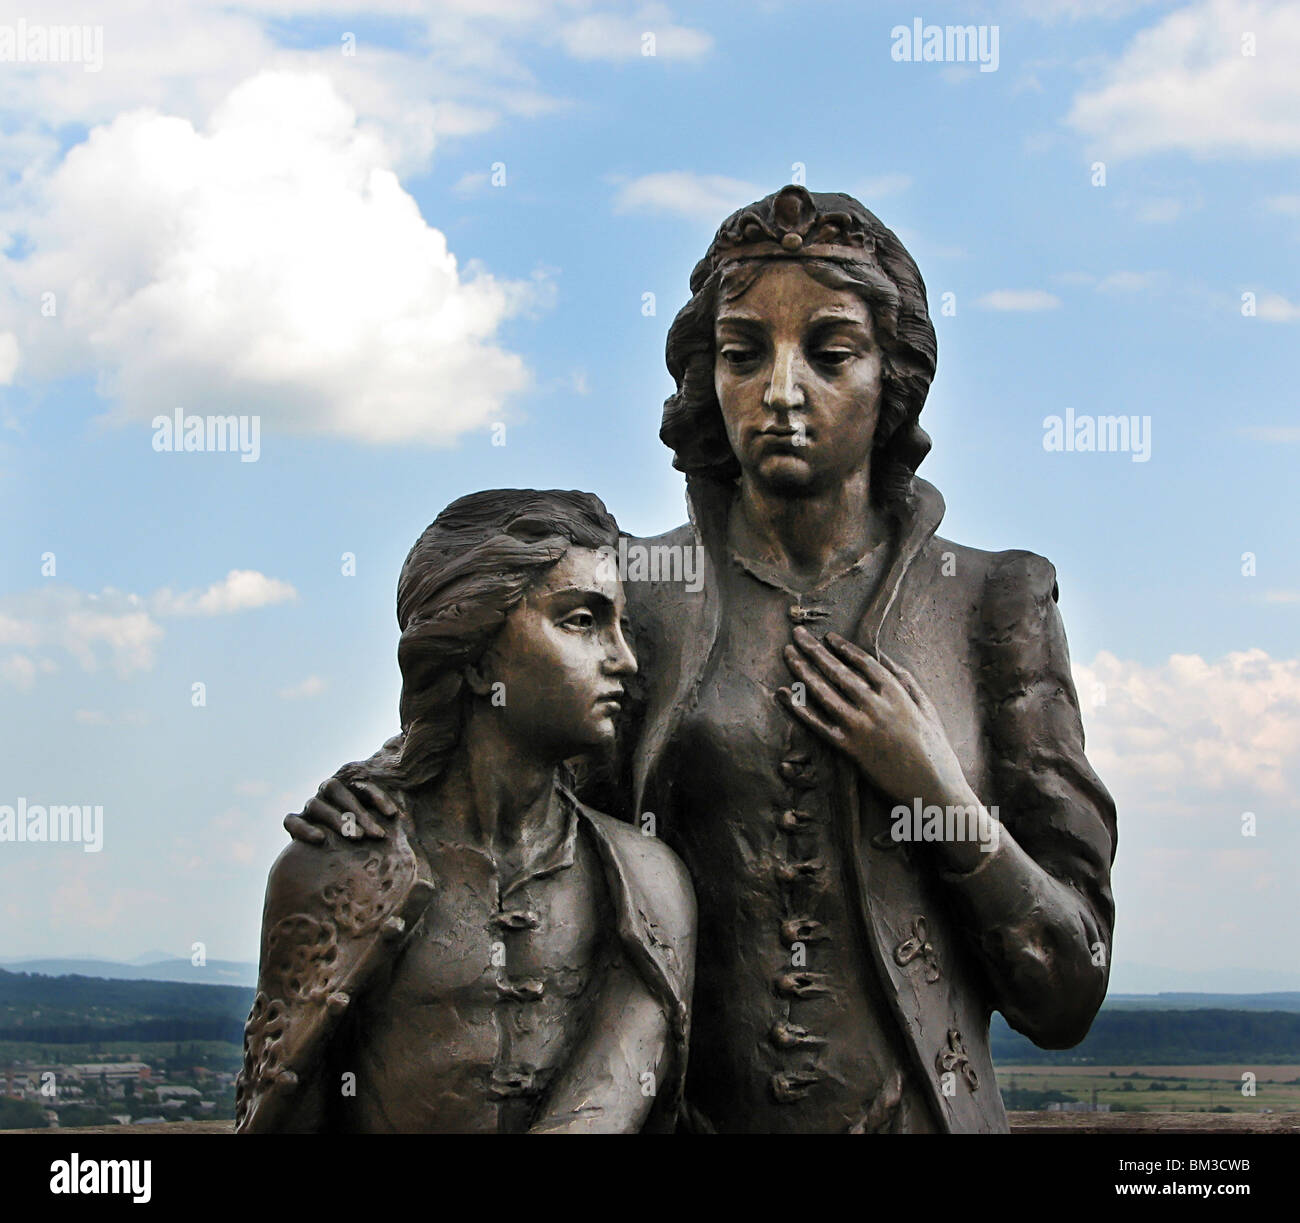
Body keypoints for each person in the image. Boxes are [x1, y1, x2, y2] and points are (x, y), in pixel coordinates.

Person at [292, 186, 1117, 1134]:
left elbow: (1069, 989)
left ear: (894, 378)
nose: (780, 389)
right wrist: (384, 787)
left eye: (832, 352)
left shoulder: (993, 604)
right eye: (742, 354)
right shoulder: (631, 597)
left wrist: (935, 793)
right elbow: (512, 806)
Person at [237, 489, 695, 1133]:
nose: (625, 660)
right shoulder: (335, 872)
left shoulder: (645, 885)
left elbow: (607, 1106)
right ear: (477, 658)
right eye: (582, 622)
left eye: (620, 625)